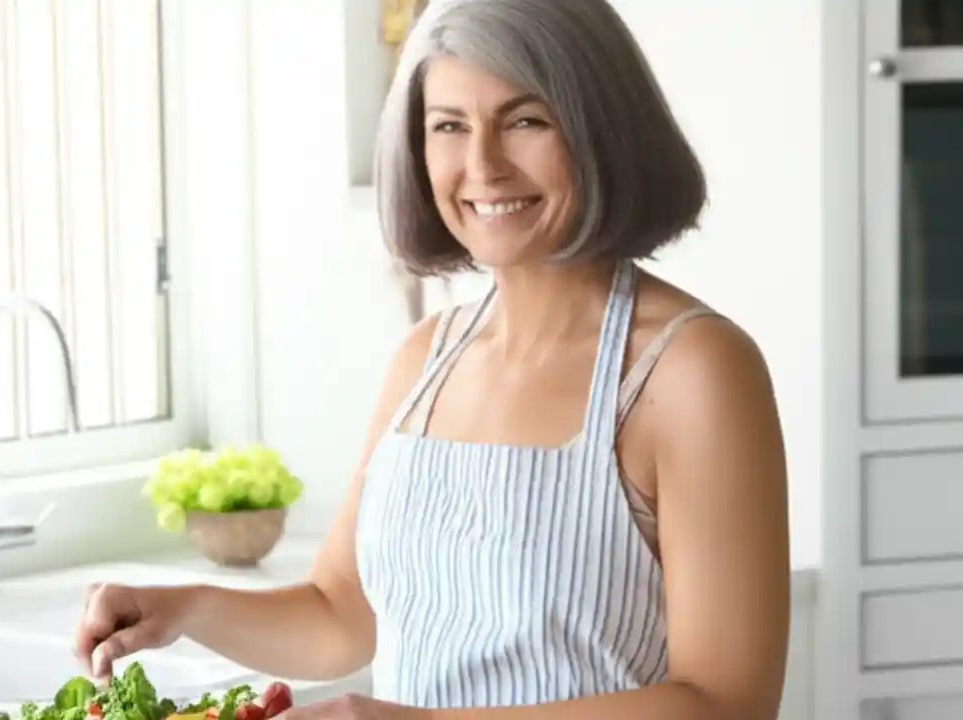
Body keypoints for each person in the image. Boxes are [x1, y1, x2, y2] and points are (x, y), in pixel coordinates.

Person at [75, 0, 792, 718]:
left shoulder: (691, 369)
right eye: (449, 126)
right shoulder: (427, 360)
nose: (482, 165)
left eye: (525, 121)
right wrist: (180, 609)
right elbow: (339, 617)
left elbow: (726, 704)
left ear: (603, 130)